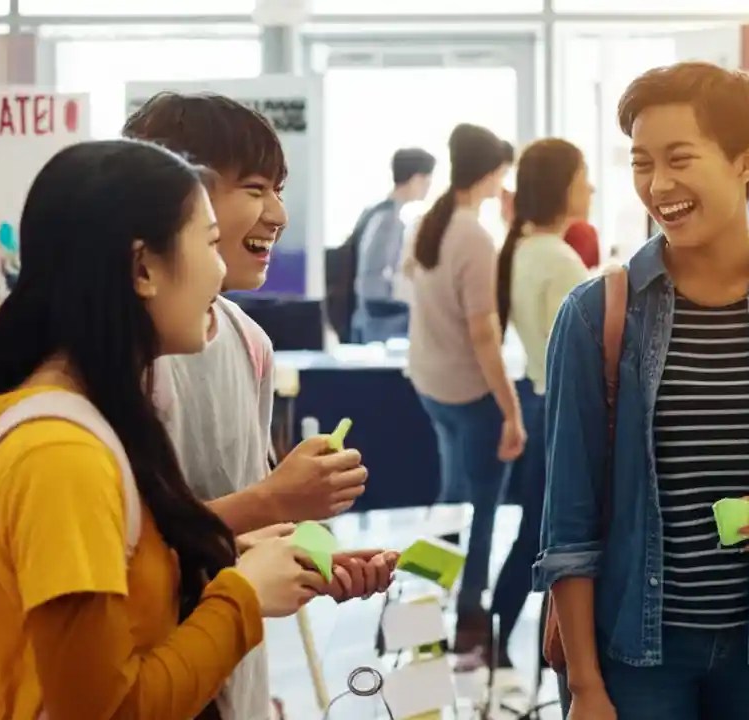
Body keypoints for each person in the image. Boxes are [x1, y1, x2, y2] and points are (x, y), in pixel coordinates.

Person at [0, 139, 325, 719]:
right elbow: (111, 709)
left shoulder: (75, 423)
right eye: (206, 243)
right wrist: (243, 597)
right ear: (143, 268)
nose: (221, 269)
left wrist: (221, 554)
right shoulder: (60, 457)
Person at [535, 61, 749, 720]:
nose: (659, 185)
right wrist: (586, 687)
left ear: (746, 160)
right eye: (641, 163)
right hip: (637, 651)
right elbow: (568, 517)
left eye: (680, 159)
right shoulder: (598, 314)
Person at [124, 93, 396, 720]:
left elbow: (236, 528)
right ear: (177, 196)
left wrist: (312, 556)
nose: (277, 213)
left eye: (278, 188)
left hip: (233, 666)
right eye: (254, 188)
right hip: (147, 674)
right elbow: (126, 548)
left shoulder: (249, 341)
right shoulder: (122, 354)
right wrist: (277, 499)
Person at [405, 123, 524, 656]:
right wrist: (512, 409)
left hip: (432, 385)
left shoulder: (430, 225)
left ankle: (420, 606)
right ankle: (470, 615)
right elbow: (483, 334)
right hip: (469, 394)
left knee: (452, 501)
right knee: (480, 509)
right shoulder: (473, 238)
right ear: (493, 172)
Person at [492, 138, 592, 667]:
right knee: (547, 536)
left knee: (536, 531)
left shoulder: (528, 248)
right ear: (564, 185)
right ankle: (513, 640)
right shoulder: (557, 257)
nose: (592, 187)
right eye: (584, 175)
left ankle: (499, 635)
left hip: (540, 403)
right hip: (560, 413)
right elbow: (579, 352)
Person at [344, 148, 437, 344]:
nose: (428, 187)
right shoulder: (389, 220)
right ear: (416, 179)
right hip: (380, 321)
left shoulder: (375, 212)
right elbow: (372, 278)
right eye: (427, 180)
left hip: (369, 316)